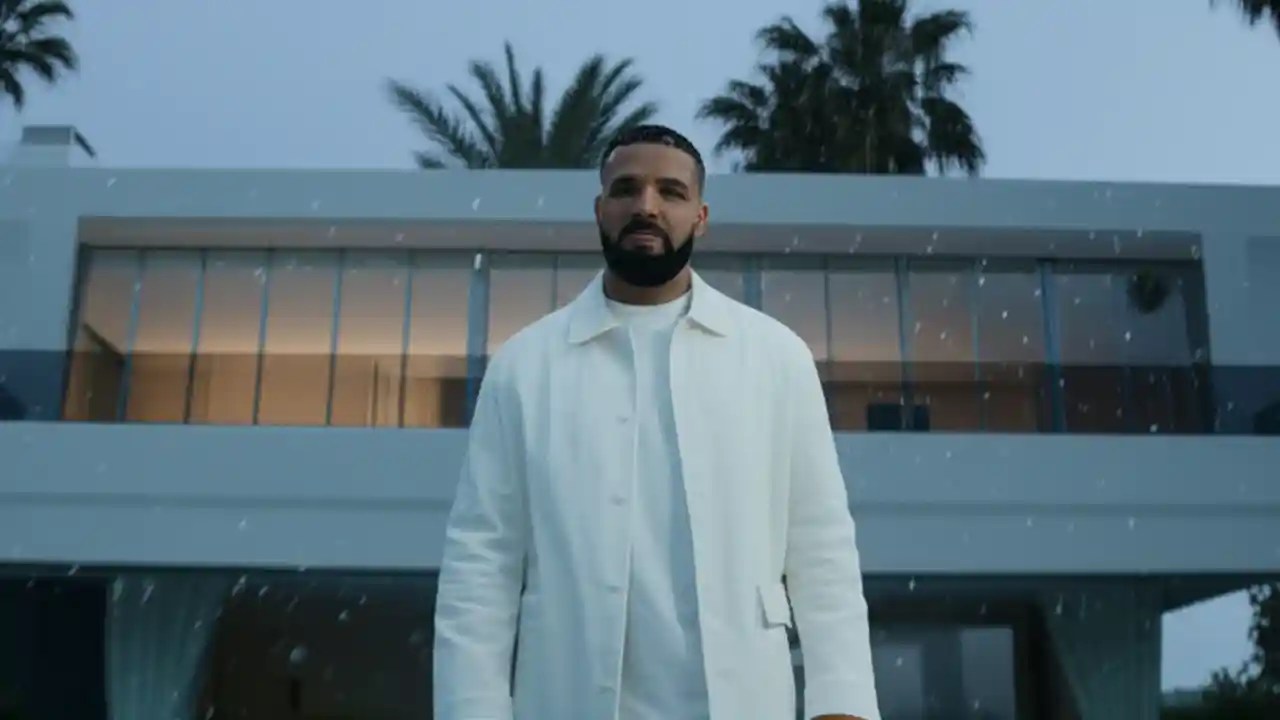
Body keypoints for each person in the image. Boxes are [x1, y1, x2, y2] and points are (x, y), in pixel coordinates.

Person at [433, 124, 880, 720]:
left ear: (700, 216)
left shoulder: (776, 357)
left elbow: (822, 549)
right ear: (600, 210)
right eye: (627, 189)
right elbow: (480, 568)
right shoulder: (525, 366)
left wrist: (843, 704)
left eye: (670, 191)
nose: (646, 206)